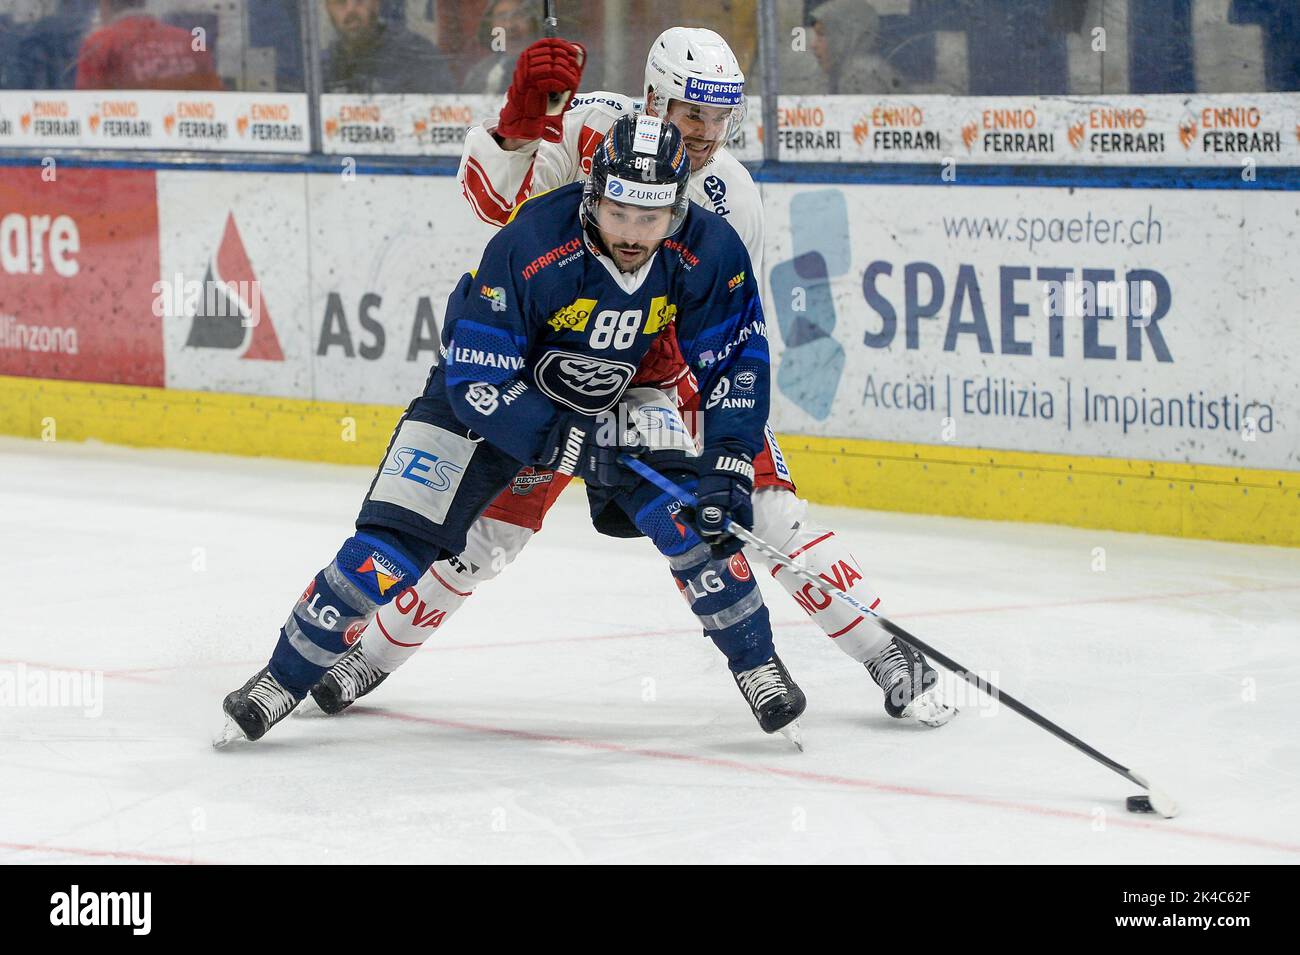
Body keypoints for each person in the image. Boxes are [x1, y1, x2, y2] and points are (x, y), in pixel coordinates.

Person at [309, 28, 955, 731]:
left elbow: (725, 328)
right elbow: (493, 205)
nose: (708, 134)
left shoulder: (730, 194)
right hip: (551, 374)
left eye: (720, 116)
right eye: (691, 113)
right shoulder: (586, 125)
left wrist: (718, 443)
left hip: (658, 379)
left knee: (763, 512)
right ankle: (364, 654)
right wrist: (520, 125)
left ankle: (889, 653)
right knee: (483, 538)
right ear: (652, 98)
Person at [219, 115, 807, 747]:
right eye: (618, 213)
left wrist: (728, 460)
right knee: (385, 553)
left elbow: (737, 361)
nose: (633, 234)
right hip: (483, 401)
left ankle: (758, 665)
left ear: (678, 207)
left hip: (620, 393)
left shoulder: (709, 249)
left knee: (693, 522)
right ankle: (281, 678)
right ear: (592, 195)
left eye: (651, 217)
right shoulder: (530, 241)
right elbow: (477, 376)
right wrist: (572, 447)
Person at [75, 0, 221, 91]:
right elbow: (219, 101)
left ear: (104, 4)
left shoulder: (99, 44)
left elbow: (88, 106)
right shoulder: (191, 41)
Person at [320, 0, 453, 94]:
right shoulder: (320, 69)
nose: (350, 10)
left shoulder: (418, 57)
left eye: (360, 0)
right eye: (340, 2)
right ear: (328, 8)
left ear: (376, 3)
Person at [808, 0, 905, 94]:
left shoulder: (862, 77)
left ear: (844, 36)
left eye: (821, 35)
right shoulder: (841, 71)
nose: (813, 45)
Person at [460, 0, 539, 95]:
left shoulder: (547, 66)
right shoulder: (481, 72)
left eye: (518, 15)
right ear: (491, 26)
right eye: (502, 17)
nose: (510, 25)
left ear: (532, 23)